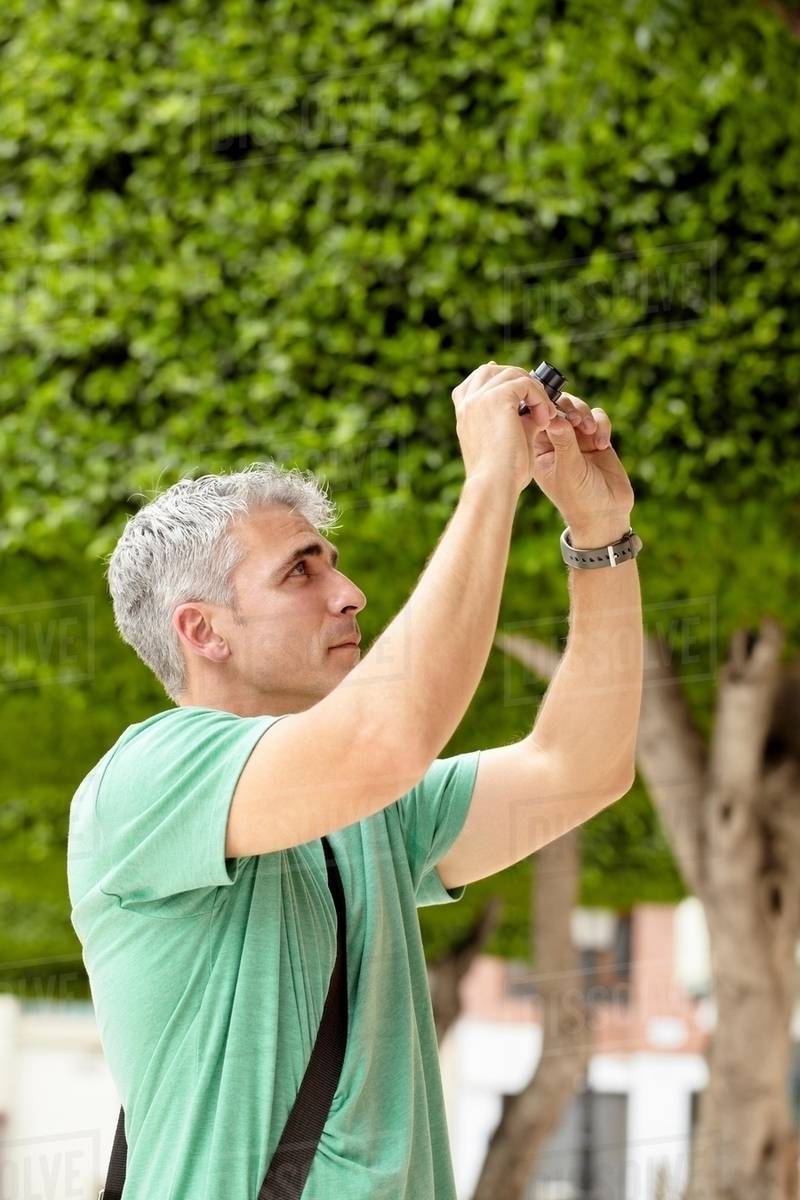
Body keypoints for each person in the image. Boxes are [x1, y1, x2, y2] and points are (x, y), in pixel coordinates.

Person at [67, 362, 642, 1199]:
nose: (351, 594)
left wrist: (600, 534)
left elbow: (579, 769)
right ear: (204, 632)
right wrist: (490, 480)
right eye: (301, 572)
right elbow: (388, 738)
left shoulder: (364, 807)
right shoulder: (148, 778)